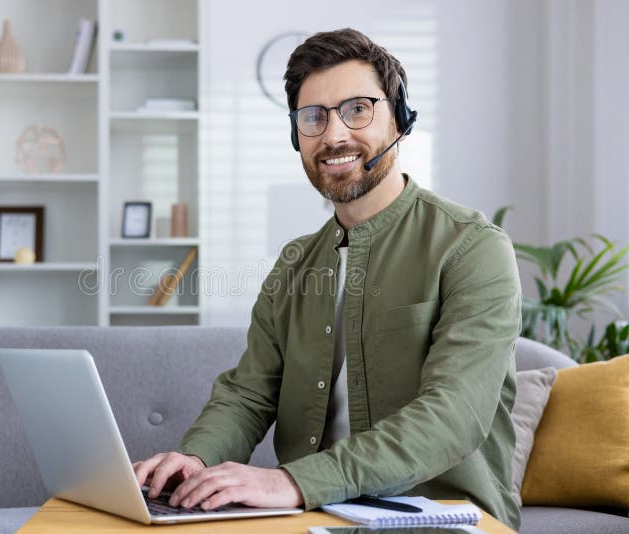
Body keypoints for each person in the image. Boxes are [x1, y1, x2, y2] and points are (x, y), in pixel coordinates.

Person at [133, 28, 522, 530]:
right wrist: (197, 459)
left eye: (358, 109)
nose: (334, 135)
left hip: (443, 518)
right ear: (296, 136)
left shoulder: (473, 247)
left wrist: (291, 482)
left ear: (400, 119)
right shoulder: (294, 263)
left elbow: (454, 415)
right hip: (311, 516)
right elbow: (249, 394)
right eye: (313, 117)